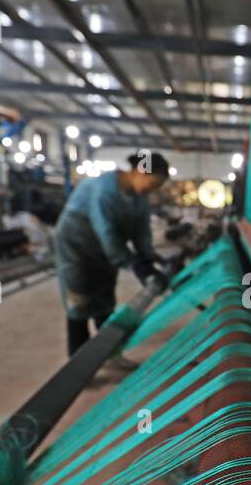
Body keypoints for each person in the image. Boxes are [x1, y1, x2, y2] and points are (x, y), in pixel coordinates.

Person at [54, 151, 171, 354]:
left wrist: (147, 258)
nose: (152, 190)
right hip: (77, 249)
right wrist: (132, 264)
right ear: (139, 172)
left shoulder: (139, 198)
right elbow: (106, 231)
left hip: (103, 252)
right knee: (80, 301)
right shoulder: (103, 188)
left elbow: (142, 231)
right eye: (152, 184)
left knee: (105, 300)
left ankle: (106, 353)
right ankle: (77, 359)